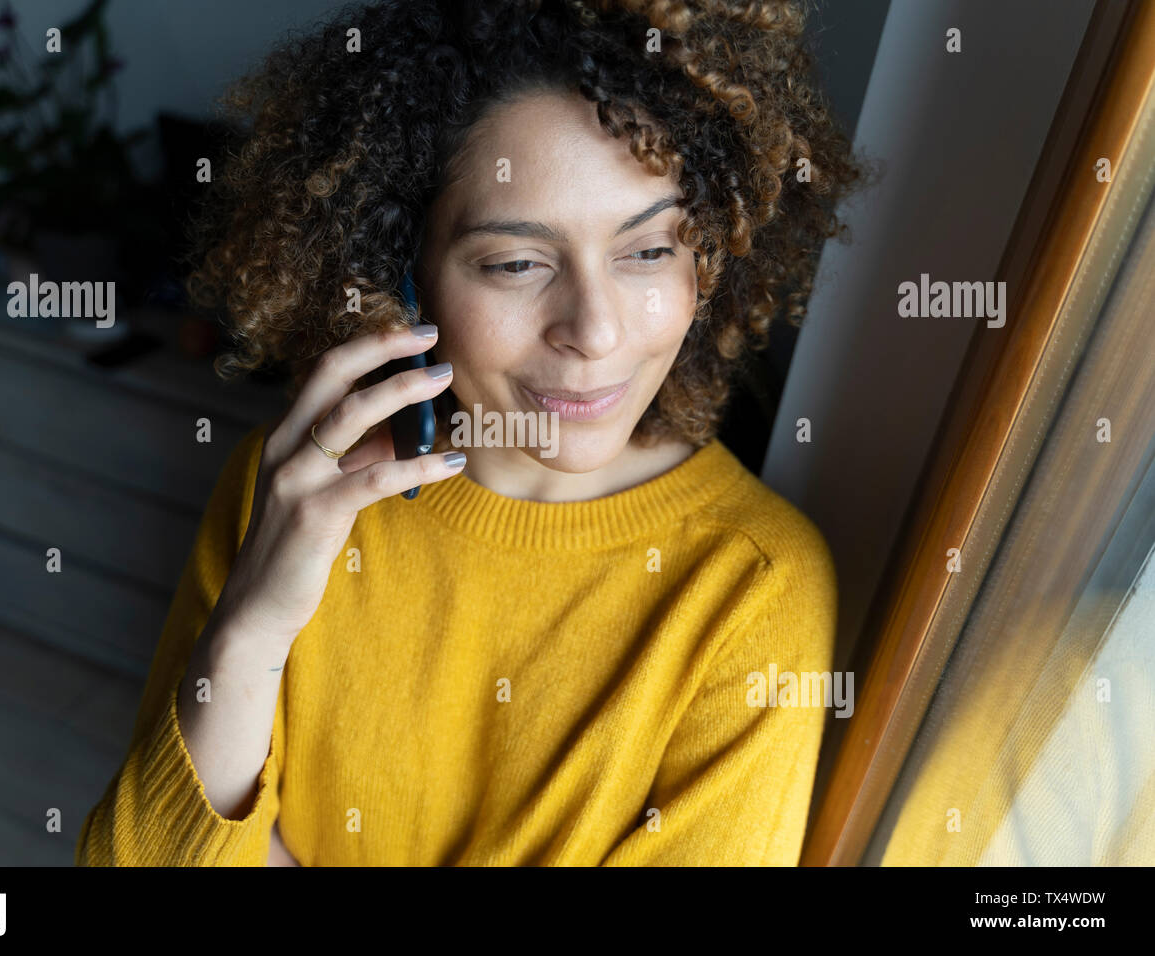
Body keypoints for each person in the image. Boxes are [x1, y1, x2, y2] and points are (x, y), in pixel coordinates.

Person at [76, 0, 867, 866]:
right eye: (518, 263)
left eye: (649, 251)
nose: (595, 332)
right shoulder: (296, 494)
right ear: (397, 277)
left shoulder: (754, 589)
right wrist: (253, 630)